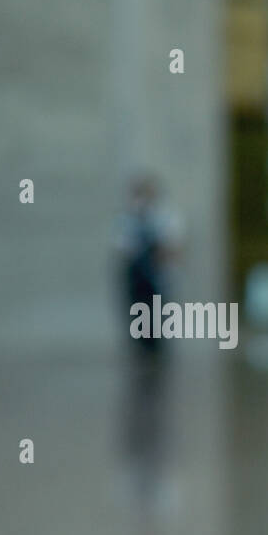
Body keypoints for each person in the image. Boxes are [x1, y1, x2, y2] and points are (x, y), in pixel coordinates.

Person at [114, 174, 184, 517]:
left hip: (157, 283)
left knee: (157, 328)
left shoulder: (165, 218)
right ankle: (144, 359)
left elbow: (173, 249)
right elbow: (122, 252)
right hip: (138, 283)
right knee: (140, 328)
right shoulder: (128, 220)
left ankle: (156, 361)